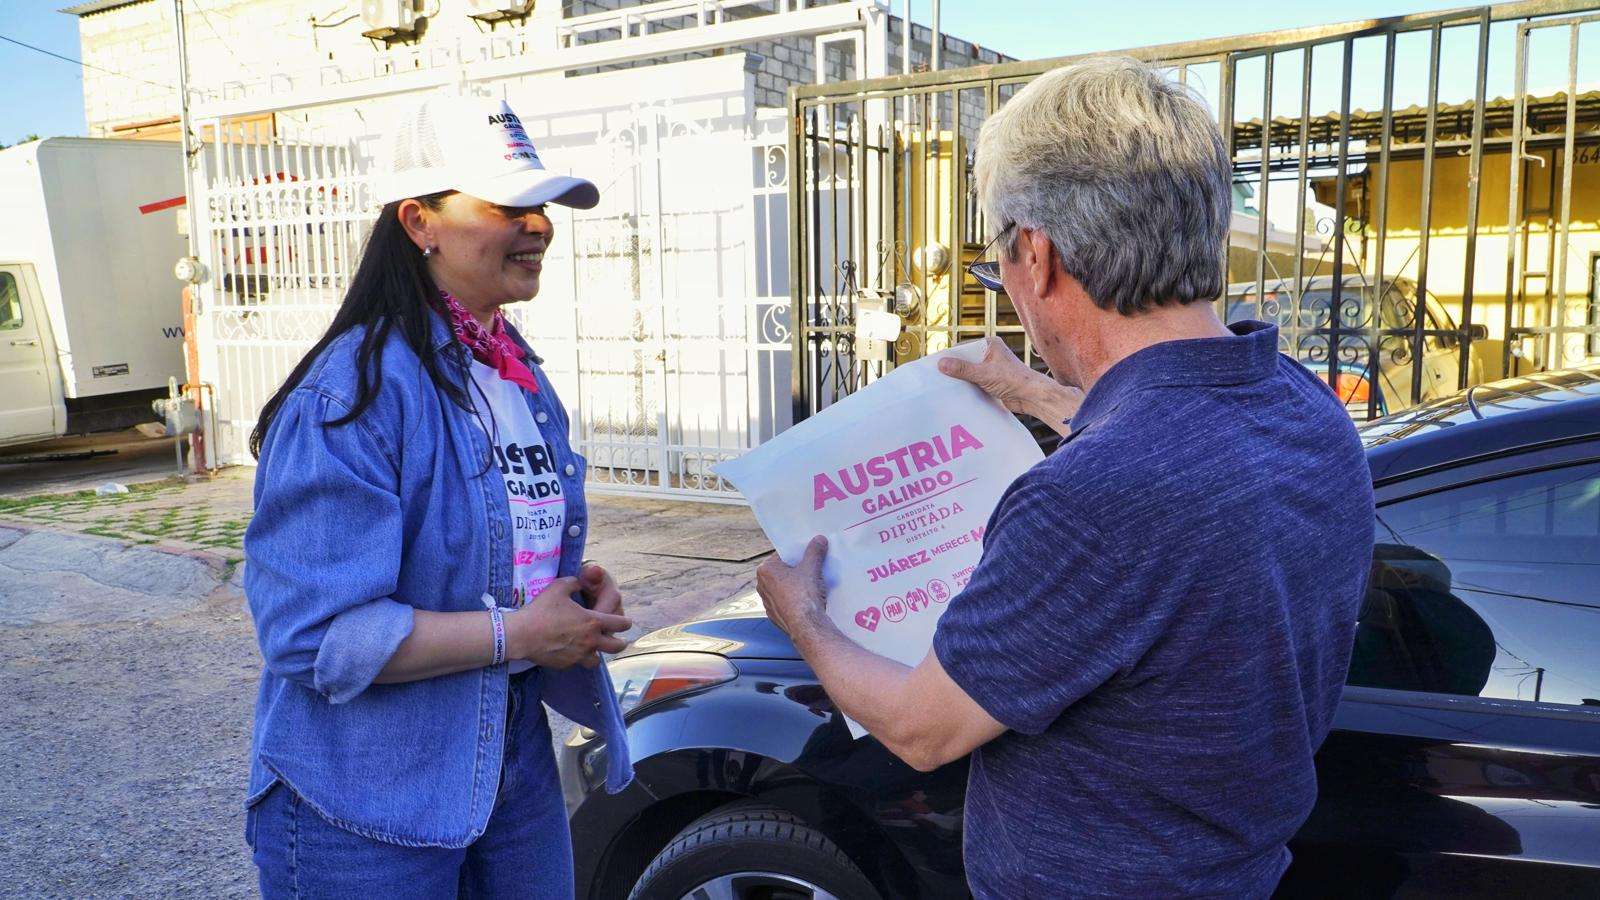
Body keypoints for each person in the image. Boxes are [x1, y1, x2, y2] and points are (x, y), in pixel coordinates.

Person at [755, 56, 1374, 898]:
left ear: (1037, 255)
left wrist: (806, 618)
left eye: (999, 262)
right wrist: (1036, 393)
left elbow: (921, 729)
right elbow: (1178, 443)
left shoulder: (1089, 499)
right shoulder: (1302, 405)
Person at [241, 94, 635, 898]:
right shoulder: (349, 395)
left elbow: (492, 539)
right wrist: (519, 630)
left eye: (544, 205)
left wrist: (564, 595)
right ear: (419, 222)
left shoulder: (511, 370)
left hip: (510, 764)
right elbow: (315, 637)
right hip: (369, 799)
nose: (539, 225)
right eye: (508, 204)